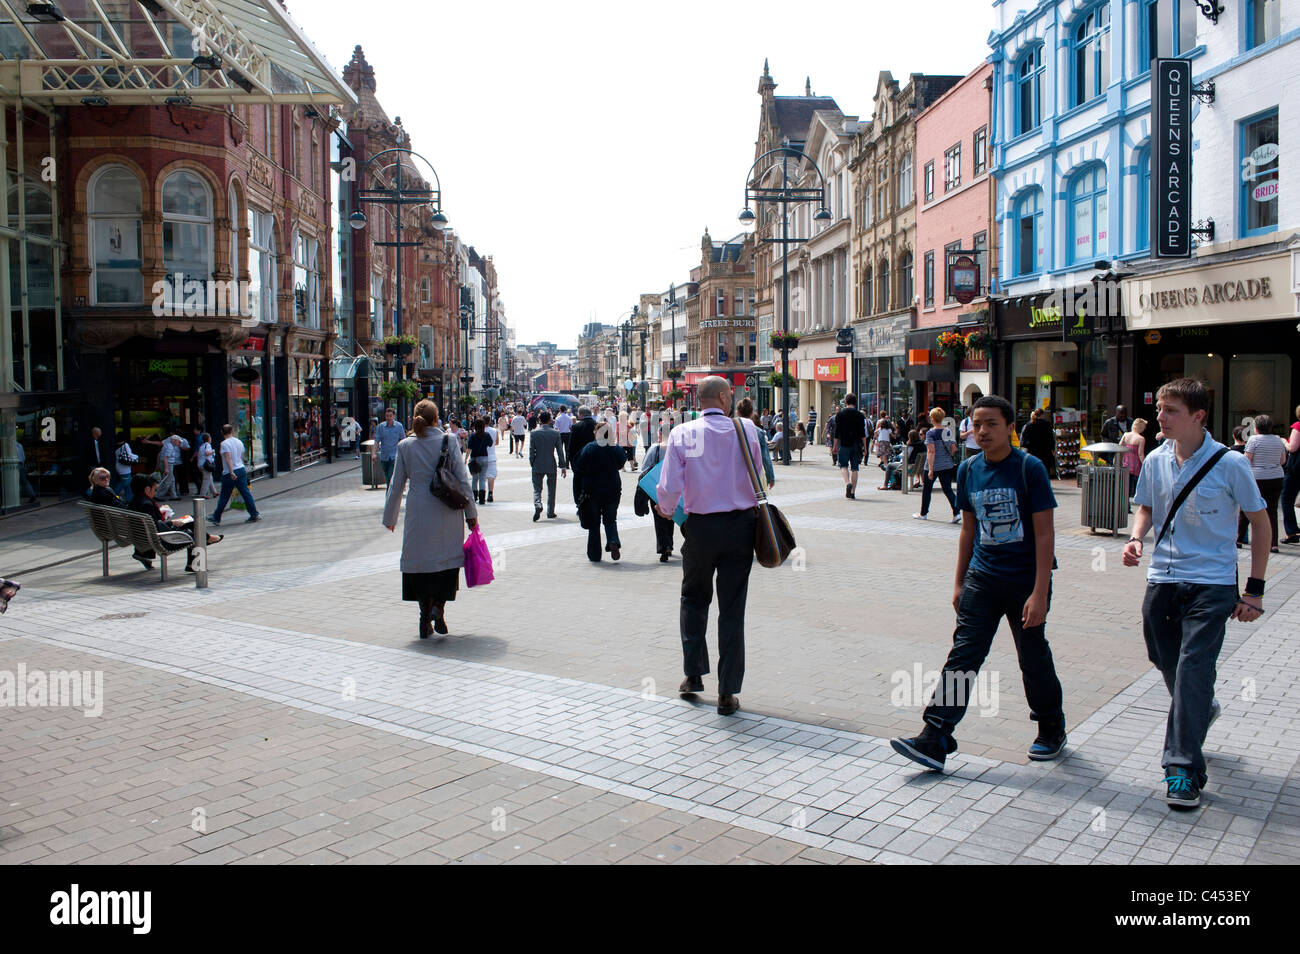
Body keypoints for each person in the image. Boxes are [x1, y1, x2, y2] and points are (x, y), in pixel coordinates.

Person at [891, 394, 1065, 771]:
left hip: (1024, 581)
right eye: (976, 423)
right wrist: (958, 582)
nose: (982, 431)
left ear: (1009, 428)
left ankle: (1050, 726)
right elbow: (968, 530)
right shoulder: (969, 470)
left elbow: (1045, 536)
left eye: (991, 424)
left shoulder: (1029, 468)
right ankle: (935, 734)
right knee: (964, 655)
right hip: (982, 579)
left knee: (1032, 656)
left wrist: (1039, 593)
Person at [1123, 378, 1269, 808]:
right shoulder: (1154, 460)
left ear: (1199, 416)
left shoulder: (1231, 464)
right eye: (1160, 409)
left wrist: (1254, 592)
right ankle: (1200, 709)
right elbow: (1147, 506)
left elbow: (1260, 524)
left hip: (1212, 581)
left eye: (1171, 410)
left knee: (1193, 667)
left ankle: (1182, 769)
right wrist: (1136, 538)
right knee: (1163, 657)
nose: (1160, 417)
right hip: (1162, 577)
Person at [656, 375, 763, 716]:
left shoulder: (682, 433)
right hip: (741, 527)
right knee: (732, 609)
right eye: (730, 395)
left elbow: (670, 485)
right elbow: (757, 474)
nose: (732, 400)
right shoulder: (747, 430)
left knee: (694, 599)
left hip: (700, 528)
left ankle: (693, 675)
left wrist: (667, 508)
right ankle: (727, 692)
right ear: (721, 396)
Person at [382, 400, 478, 639]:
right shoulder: (449, 441)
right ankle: (439, 608)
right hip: (447, 509)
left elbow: (396, 484)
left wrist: (390, 516)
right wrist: (471, 514)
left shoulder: (405, 445)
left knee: (420, 565)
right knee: (446, 562)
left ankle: (424, 614)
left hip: (418, 511)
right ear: (436, 419)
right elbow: (462, 479)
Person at [129, 473, 222, 573]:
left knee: (191, 519)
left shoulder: (133, 503)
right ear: (147, 489)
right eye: (155, 490)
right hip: (162, 540)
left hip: (147, 538)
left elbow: (152, 524)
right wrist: (172, 522)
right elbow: (156, 528)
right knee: (195, 534)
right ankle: (206, 541)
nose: (155, 493)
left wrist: (165, 518)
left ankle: (205, 542)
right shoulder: (146, 505)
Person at [574, 421, 626, 562]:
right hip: (612, 489)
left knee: (594, 523)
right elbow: (622, 462)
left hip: (593, 491)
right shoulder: (615, 448)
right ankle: (613, 541)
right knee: (610, 519)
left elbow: (579, 465)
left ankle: (595, 555)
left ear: (597, 433)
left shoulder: (590, 448)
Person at [1240, 414, 1287, 553]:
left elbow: (1246, 460)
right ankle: (1273, 544)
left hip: (1257, 478)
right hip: (1276, 477)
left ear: (1256, 427)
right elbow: (1282, 461)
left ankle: (1238, 538)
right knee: (1272, 512)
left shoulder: (1253, 440)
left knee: (1248, 508)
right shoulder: (1278, 440)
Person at [914, 407, 961, 524]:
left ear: (932, 418)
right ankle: (957, 512)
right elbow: (953, 449)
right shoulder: (948, 431)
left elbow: (931, 451)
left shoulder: (931, 433)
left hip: (933, 465)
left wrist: (930, 470)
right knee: (948, 490)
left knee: (927, 490)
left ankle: (923, 513)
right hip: (947, 465)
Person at [210, 424, 261, 526]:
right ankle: (254, 513)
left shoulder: (224, 444)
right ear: (232, 431)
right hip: (241, 469)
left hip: (230, 472)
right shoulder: (239, 441)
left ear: (222, 432)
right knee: (246, 493)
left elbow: (228, 458)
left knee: (224, 495)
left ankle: (216, 517)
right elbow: (242, 456)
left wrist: (231, 471)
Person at [528, 409, 567, 521]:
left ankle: (538, 504)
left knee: (537, 488)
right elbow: (560, 451)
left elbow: (531, 451)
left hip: (537, 464)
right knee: (551, 489)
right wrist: (563, 466)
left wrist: (532, 463)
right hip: (551, 463)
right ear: (550, 420)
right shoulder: (555, 433)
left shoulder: (534, 433)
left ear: (539, 420)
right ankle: (550, 512)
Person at [832, 394, 868, 499]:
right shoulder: (860, 415)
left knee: (843, 466)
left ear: (846, 402)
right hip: (856, 444)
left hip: (844, 443)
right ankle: (852, 493)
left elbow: (837, 432)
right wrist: (865, 448)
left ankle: (847, 483)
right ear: (855, 402)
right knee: (855, 468)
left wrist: (834, 446)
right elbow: (863, 434)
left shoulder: (840, 414)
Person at [568, 405, 597, 510]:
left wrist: (571, 461)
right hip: (595, 460)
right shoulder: (597, 425)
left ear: (580, 415)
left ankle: (579, 504)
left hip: (579, 461)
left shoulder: (576, 427)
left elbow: (571, 446)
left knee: (578, 483)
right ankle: (593, 503)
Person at [1019, 408, 1057, 479]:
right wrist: (1053, 448)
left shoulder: (1029, 425)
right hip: (1045, 450)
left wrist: (1024, 448)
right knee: (1044, 468)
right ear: (1042, 415)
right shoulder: (1047, 424)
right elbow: (1051, 438)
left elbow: (1024, 439)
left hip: (1032, 451)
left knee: (1033, 468)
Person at [1283, 404, 1300, 545]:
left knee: (1287, 499)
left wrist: (1284, 442)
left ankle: (1291, 532)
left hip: (1296, 468)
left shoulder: (1298, 426)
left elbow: (1293, 447)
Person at [466, 418, 493, 506]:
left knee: (474, 478)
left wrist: (466, 458)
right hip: (484, 458)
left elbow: (469, 448)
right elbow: (490, 444)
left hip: (475, 459)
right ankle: (482, 498)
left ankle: (475, 496)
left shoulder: (473, 435)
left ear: (475, 426)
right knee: (482, 478)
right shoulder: (486, 435)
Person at [1118, 418, 1148, 498]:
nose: (1145, 428)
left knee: (1124, 486)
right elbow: (1140, 454)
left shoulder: (1125, 435)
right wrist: (1146, 465)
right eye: (1144, 426)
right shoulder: (1141, 439)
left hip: (1125, 464)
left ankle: (1124, 504)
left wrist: (1118, 461)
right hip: (1135, 466)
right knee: (1136, 486)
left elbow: (1119, 448)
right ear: (1141, 427)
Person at [155, 433, 189, 500]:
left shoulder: (169, 445)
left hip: (168, 464)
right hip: (168, 464)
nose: (179, 443)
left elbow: (162, 456)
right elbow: (165, 458)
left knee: (172, 480)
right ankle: (157, 495)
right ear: (174, 441)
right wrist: (166, 468)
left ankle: (173, 495)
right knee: (167, 481)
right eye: (178, 442)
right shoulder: (170, 447)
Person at [112, 432, 138, 499]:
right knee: (123, 484)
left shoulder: (115, 445)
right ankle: (112, 496)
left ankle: (129, 499)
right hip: (124, 468)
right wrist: (136, 457)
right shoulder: (125, 445)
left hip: (119, 466)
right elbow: (130, 455)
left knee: (128, 485)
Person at [195, 432, 217, 498]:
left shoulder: (202, 446)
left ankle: (214, 492)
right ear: (208, 438)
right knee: (206, 479)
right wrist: (213, 451)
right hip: (206, 465)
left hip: (201, 464)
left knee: (209, 478)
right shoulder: (208, 445)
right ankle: (203, 494)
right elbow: (207, 453)